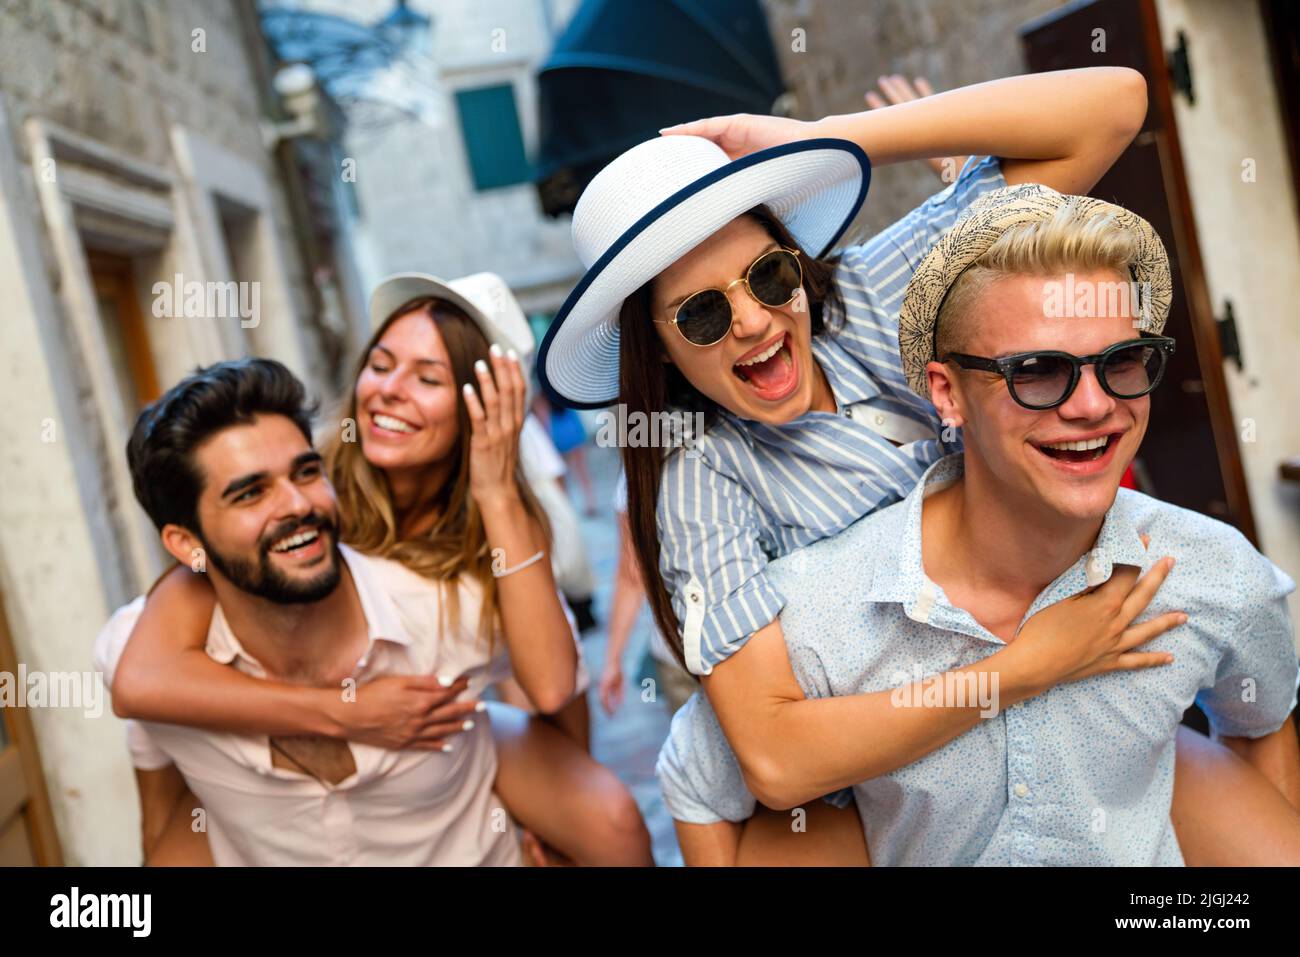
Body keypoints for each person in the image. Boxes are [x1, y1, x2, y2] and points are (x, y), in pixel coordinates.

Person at [536, 66, 1290, 863]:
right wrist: (1022, 667)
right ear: (654, 342)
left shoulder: (879, 291)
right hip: (886, 774)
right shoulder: (700, 480)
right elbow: (774, 756)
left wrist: (823, 141)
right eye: (702, 313)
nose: (755, 320)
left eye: (768, 275)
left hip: (1076, 694)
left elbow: (1112, 106)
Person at [109, 273, 652, 866]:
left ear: (485, 410)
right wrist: (348, 713)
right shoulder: (311, 476)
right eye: (381, 363)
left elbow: (554, 684)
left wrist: (553, 822)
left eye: (428, 378)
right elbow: (163, 647)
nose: (390, 391)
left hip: (442, 735)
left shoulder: (492, 536)